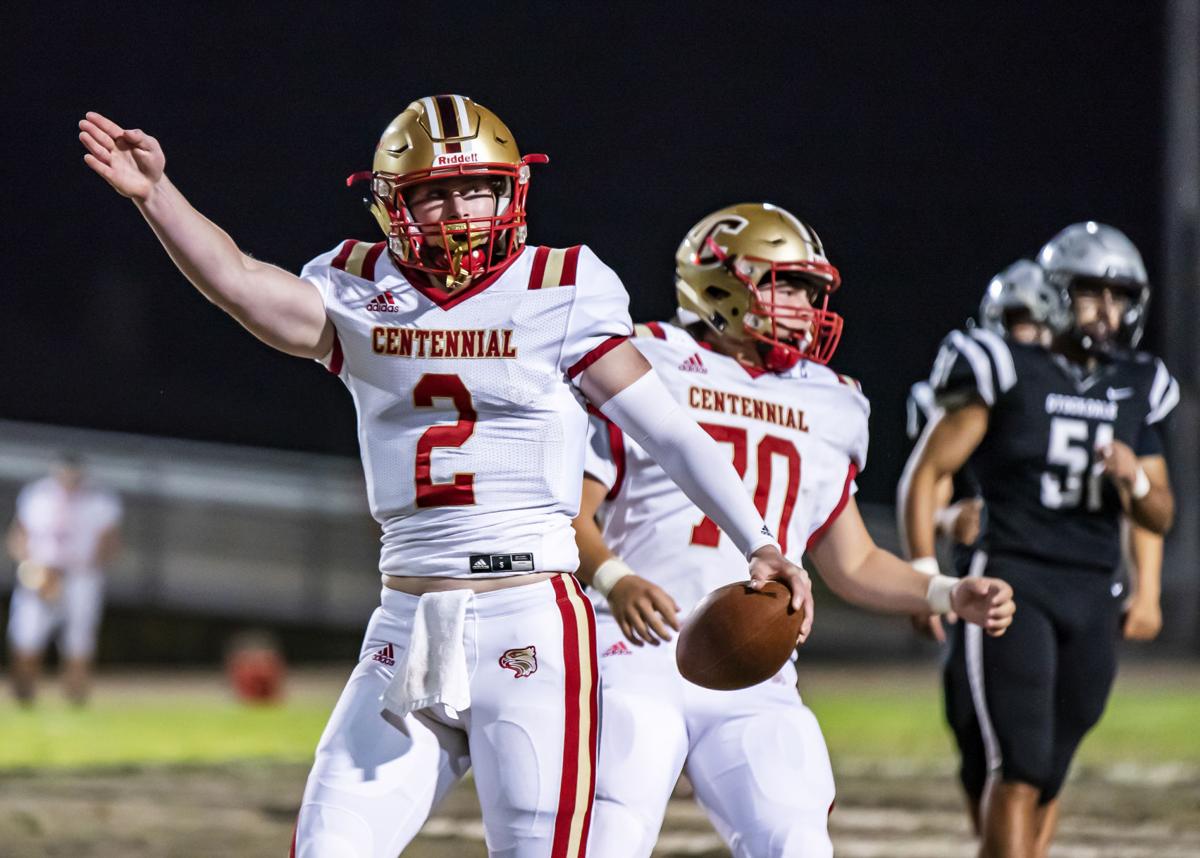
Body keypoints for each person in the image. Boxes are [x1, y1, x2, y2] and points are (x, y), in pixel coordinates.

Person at [80, 98, 812, 858]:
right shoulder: (356, 286)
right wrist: (158, 197)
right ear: (391, 205)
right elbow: (236, 281)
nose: (457, 211)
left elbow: (669, 432)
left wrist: (757, 541)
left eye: (476, 189)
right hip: (405, 619)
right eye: (432, 192)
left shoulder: (563, 286)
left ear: (512, 193)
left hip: (530, 622)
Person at [571, 203, 1015, 858]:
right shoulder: (645, 361)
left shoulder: (829, 399)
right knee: (609, 832)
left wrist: (948, 593)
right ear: (717, 282)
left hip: (757, 670)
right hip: (630, 653)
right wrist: (614, 579)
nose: (806, 306)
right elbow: (567, 517)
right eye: (787, 285)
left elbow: (854, 562)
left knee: (798, 842)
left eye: (812, 291)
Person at [899, 223, 1177, 858]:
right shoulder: (1005, 367)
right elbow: (928, 473)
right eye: (1091, 295)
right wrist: (925, 577)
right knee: (1017, 762)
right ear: (1056, 294)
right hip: (1012, 581)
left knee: (1050, 765)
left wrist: (1134, 480)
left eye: (1119, 297)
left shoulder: (1138, 381)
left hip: (1094, 586)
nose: (1108, 312)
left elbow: (1160, 515)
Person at [6, 454, 122, 705]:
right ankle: (23, 693)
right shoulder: (37, 495)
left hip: (81, 576)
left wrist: (86, 567)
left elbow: (110, 543)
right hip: (41, 573)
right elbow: (18, 538)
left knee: (79, 639)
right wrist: (33, 569)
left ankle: (75, 695)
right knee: (27, 634)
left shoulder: (99, 500)